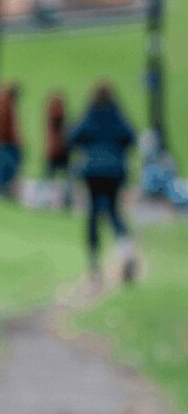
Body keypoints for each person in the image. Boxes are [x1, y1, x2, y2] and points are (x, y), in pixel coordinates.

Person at [69, 82, 137, 284]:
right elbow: (131, 137)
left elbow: (74, 137)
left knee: (92, 215)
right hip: (115, 171)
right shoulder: (117, 114)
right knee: (114, 212)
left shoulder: (90, 113)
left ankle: (93, 264)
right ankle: (125, 251)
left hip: (93, 172)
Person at [0, 82, 23, 196]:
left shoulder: (3, 100)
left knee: (5, 169)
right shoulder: (4, 100)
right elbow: (3, 125)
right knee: (4, 169)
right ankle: (2, 190)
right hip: (6, 143)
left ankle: (4, 189)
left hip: (7, 143)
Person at [44, 91, 72, 209]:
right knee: (65, 177)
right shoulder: (60, 119)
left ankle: (48, 200)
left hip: (53, 151)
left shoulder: (51, 118)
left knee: (51, 177)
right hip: (60, 151)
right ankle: (65, 200)